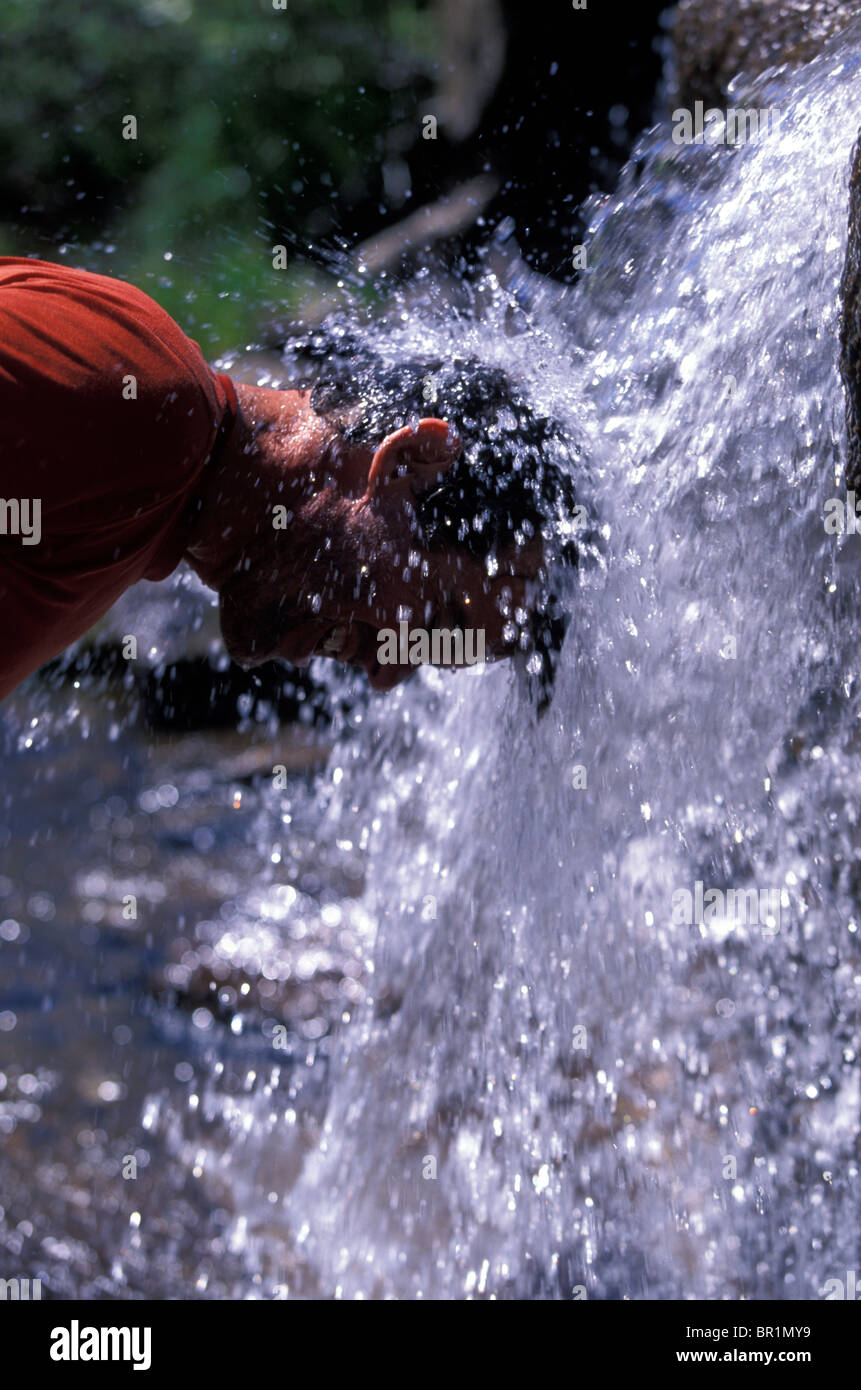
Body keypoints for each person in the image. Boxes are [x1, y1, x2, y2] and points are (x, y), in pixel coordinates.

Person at [0, 257, 580, 702]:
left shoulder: (144, 507)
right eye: (433, 622)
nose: (388, 673)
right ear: (408, 468)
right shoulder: (148, 409)